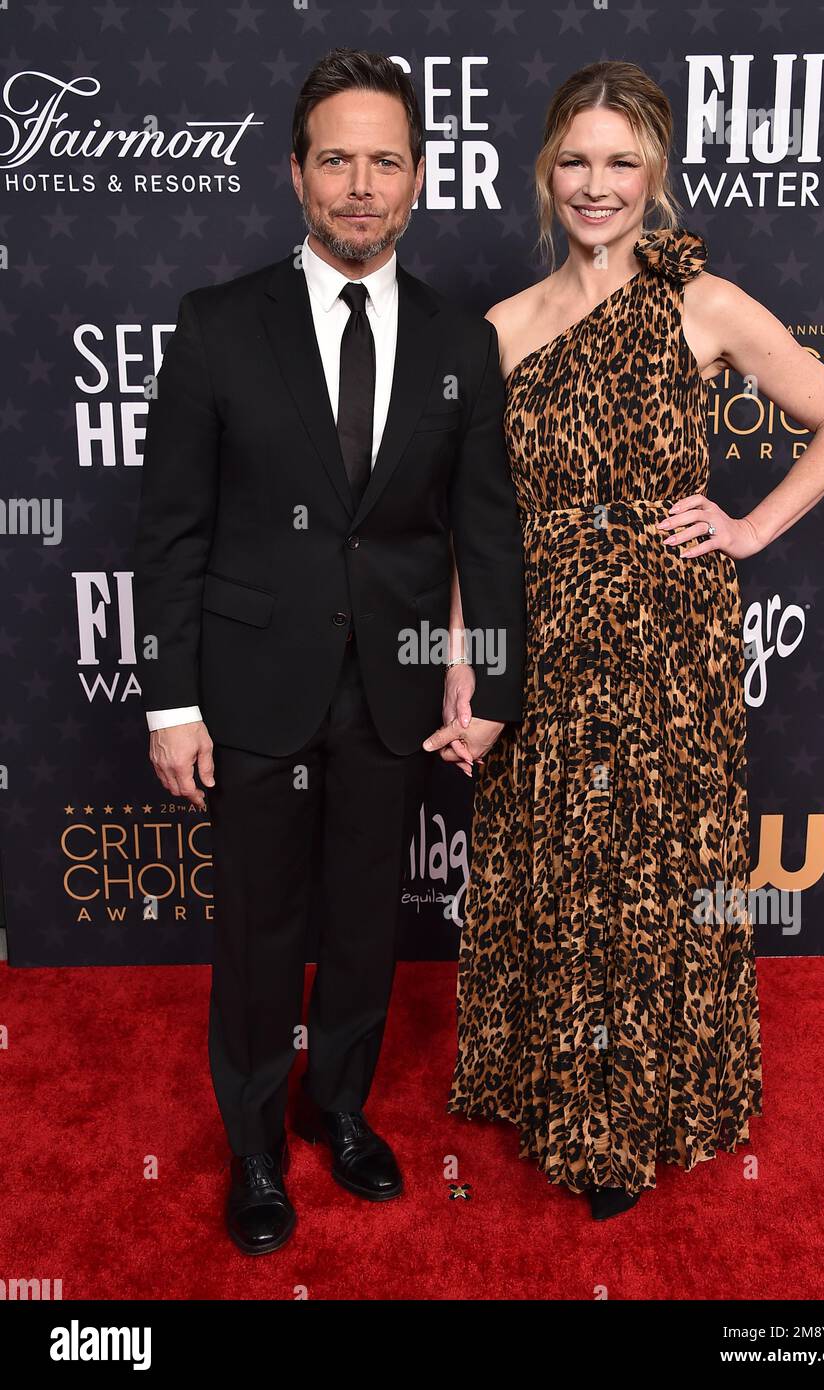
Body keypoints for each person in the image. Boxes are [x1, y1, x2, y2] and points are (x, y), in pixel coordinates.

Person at [425, 60, 824, 1221]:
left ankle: (632, 1115)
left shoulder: (703, 303)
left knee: (649, 872)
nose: (595, 183)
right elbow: (480, 530)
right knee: (556, 863)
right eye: (574, 159)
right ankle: (554, 1091)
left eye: (620, 161)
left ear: (654, 174)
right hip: (545, 624)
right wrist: (466, 671)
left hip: (668, 636)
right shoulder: (500, 328)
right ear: (542, 172)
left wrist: (745, 526)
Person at [131, 47, 525, 1255]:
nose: (362, 184)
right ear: (296, 173)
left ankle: (337, 1106)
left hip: (394, 691)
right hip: (251, 690)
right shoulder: (214, 327)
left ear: (419, 180)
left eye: (386, 161)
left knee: (364, 921)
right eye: (337, 159)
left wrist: (493, 680)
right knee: (256, 929)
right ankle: (254, 1143)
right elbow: (172, 533)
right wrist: (169, 705)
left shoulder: (463, 342)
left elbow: (485, 528)